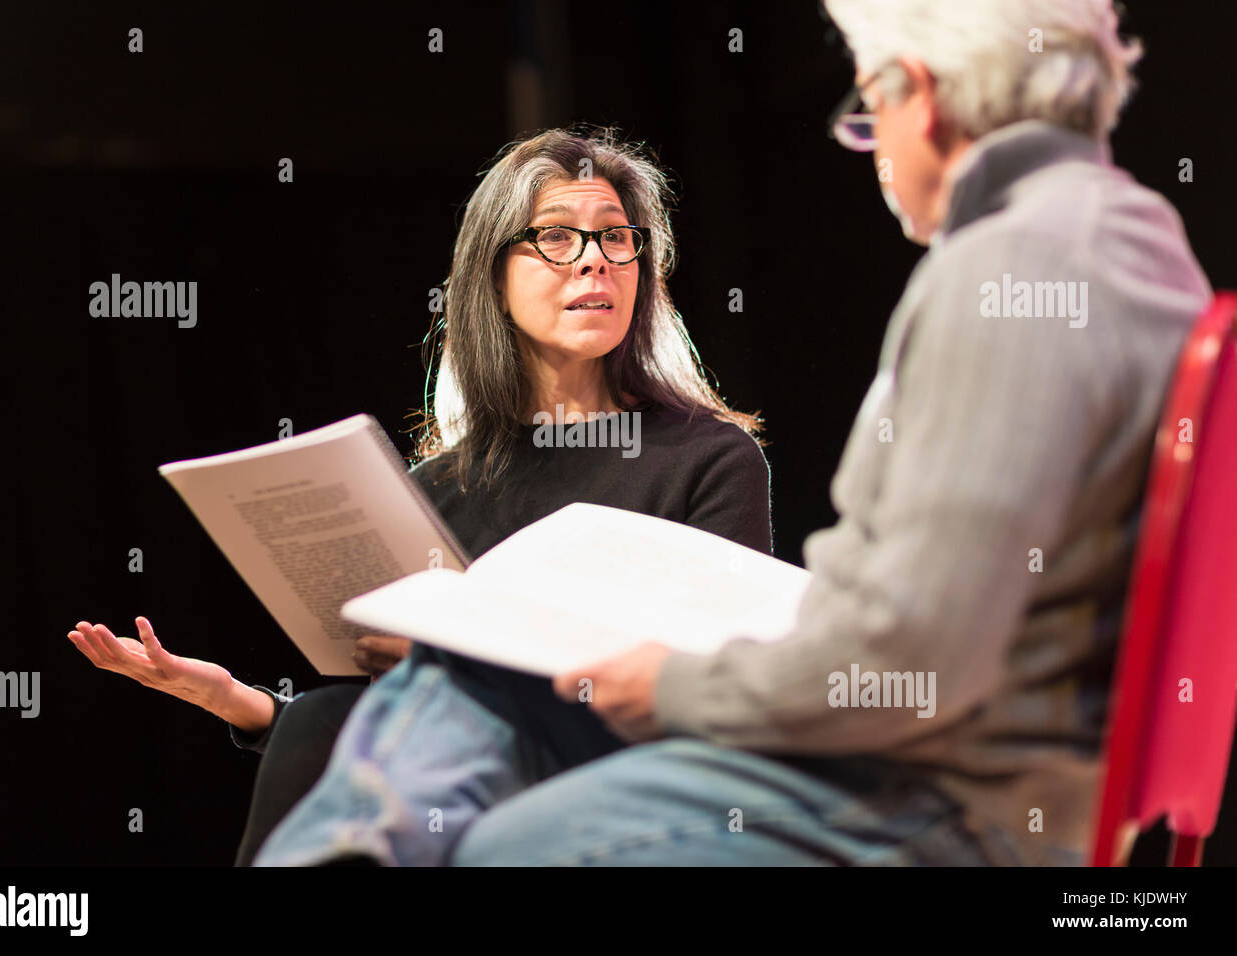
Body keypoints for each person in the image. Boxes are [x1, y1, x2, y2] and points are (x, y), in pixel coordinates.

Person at [446, 0, 1213, 867]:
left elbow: (908, 659)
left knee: (507, 842)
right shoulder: (1146, 241)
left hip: (946, 806)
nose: (871, 141)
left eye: (868, 112)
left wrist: (671, 686)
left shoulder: (1011, 270)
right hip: (1008, 785)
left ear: (916, 94)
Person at [67, 125, 774, 866]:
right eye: (557, 238)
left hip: (614, 771)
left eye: (616, 238)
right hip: (445, 777)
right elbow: (389, 725)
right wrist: (238, 702)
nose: (595, 259)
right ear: (492, 279)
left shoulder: (707, 458)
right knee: (324, 723)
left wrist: (464, 659)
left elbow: (708, 696)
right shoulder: (437, 488)